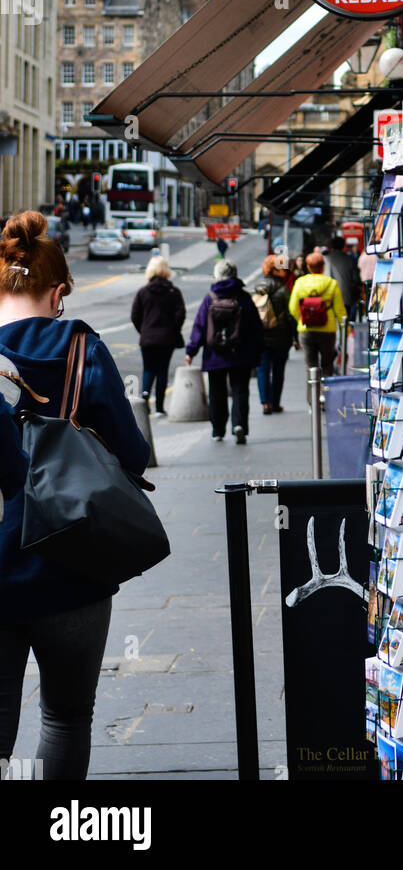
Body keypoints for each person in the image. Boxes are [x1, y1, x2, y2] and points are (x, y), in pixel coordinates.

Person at [0, 210, 150, 780]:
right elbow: (133, 456)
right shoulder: (83, 348)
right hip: (71, 567)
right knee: (65, 719)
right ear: (59, 290)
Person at [185, 259, 263, 444]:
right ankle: (239, 424)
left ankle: (217, 430)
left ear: (217, 276)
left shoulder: (210, 298)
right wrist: (258, 352)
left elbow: (200, 326)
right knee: (240, 390)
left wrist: (191, 350)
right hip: (240, 352)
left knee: (216, 392)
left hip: (215, 354)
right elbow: (255, 327)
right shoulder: (243, 297)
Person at [130, 256, 186, 417]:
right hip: (167, 339)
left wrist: (144, 330)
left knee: (148, 369)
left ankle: (145, 396)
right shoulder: (173, 292)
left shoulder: (143, 292)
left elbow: (135, 315)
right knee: (162, 371)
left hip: (147, 338)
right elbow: (180, 314)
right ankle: (160, 407)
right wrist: (172, 329)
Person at [288, 250, 346, 378]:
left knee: (311, 366)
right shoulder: (331, 283)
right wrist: (345, 331)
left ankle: (313, 395)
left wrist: (302, 319)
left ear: (308, 267)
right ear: (323, 267)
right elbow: (340, 311)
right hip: (327, 329)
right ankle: (326, 394)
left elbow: (292, 308)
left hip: (306, 329)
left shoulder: (300, 283)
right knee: (327, 364)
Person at [252, 255, 293, 416]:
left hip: (261, 336)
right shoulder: (283, 289)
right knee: (278, 370)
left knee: (262, 369)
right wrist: (294, 337)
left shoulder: (256, 287)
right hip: (281, 335)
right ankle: (275, 402)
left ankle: (265, 403)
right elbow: (291, 315)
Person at [324, 235, 362, 323]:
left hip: (329, 296)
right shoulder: (349, 259)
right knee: (345, 324)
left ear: (331, 246)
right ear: (343, 246)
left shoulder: (325, 258)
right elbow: (356, 279)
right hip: (346, 298)